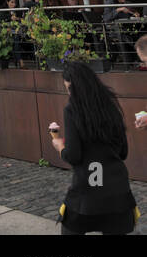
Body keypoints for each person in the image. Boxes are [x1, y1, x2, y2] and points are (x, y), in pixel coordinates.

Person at [49, 62, 138, 235]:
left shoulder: (72, 109)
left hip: (86, 192)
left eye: (69, 89)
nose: (69, 94)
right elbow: (123, 152)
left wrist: (60, 146)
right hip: (117, 191)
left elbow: (74, 156)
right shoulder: (111, 105)